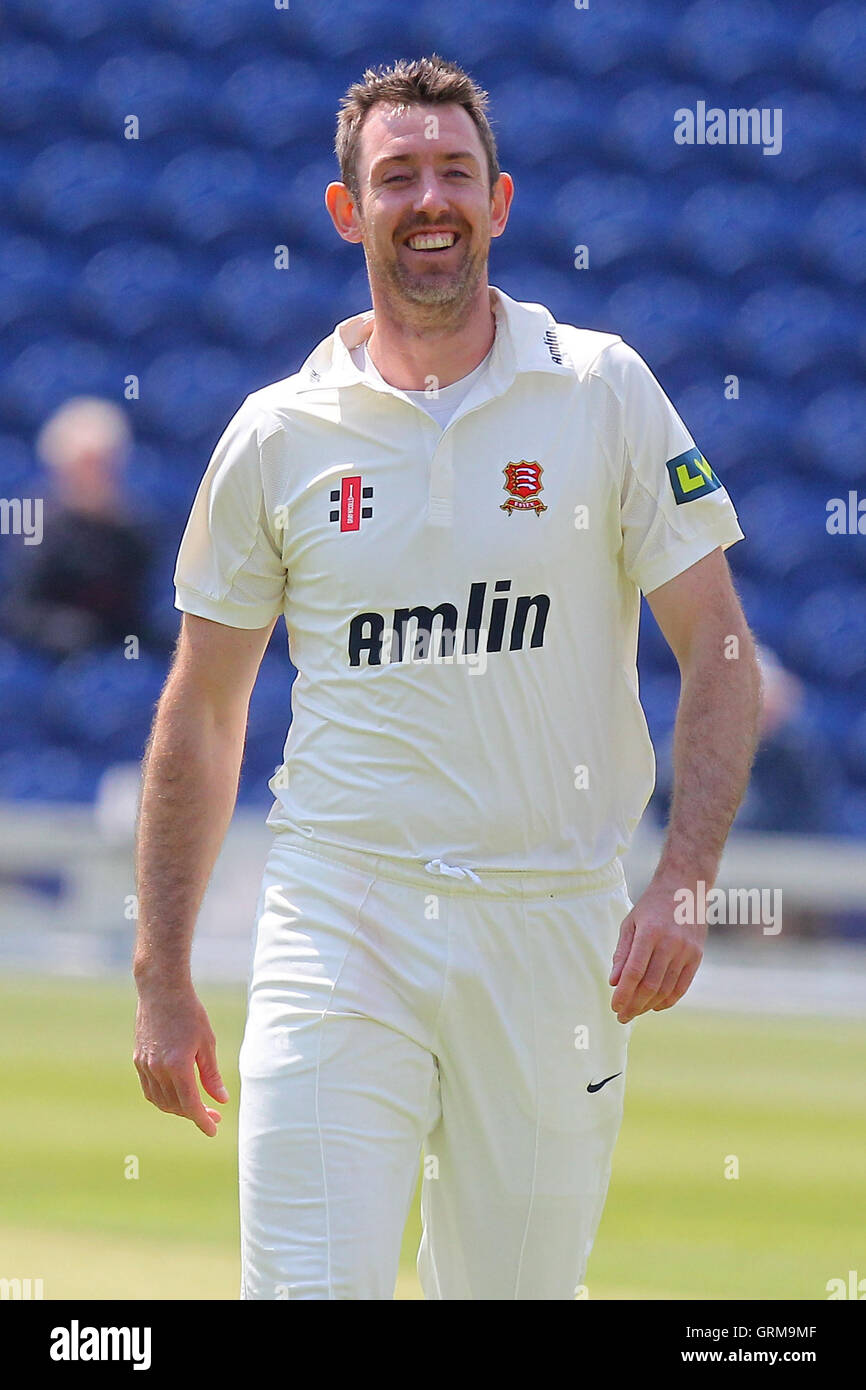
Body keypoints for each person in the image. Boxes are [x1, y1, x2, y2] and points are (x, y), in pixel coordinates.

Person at [132, 55, 762, 1300]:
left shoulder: (602, 389)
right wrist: (160, 971)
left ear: (501, 199)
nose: (429, 199)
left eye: (454, 174)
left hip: (550, 920)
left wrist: (683, 878)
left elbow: (721, 652)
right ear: (343, 208)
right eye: (396, 175)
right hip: (340, 909)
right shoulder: (277, 433)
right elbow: (203, 714)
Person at [0, 396, 151, 659]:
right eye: (86, 463)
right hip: (45, 657)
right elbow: (19, 608)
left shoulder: (134, 531)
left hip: (115, 654)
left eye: (103, 462)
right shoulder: (39, 529)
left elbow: (140, 610)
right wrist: (62, 629)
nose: (95, 473)